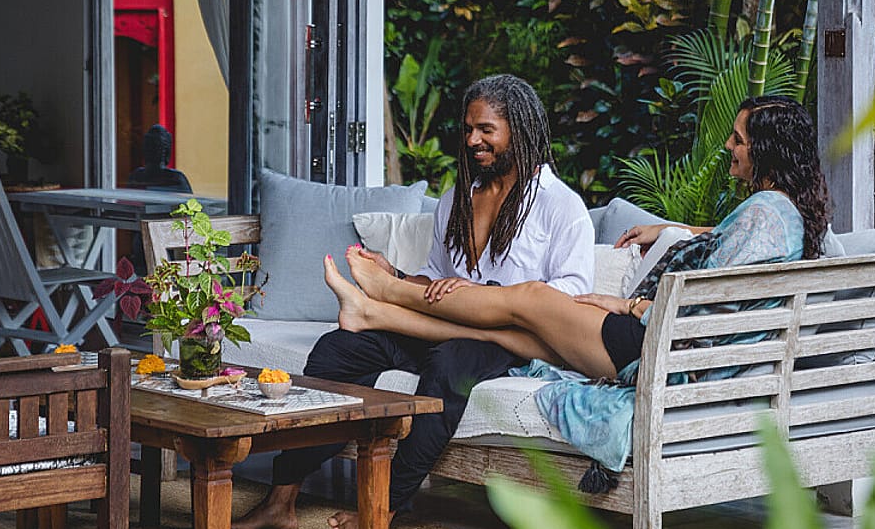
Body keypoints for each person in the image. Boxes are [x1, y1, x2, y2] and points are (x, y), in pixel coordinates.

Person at [232, 74, 597, 529]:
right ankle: (281, 500)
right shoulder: (458, 198)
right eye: (468, 129)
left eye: (486, 129)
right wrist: (397, 277)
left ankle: (383, 507)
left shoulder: (559, 207)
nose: (472, 140)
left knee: (448, 369)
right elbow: (434, 278)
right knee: (340, 348)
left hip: (502, 340)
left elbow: (571, 296)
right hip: (434, 325)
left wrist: (487, 297)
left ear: (519, 130)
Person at [325, 94, 829, 388]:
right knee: (515, 336)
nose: (729, 147)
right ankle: (377, 314)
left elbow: (708, 309)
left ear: (766, 149)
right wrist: (677, 231)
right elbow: (731, 250)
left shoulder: (764, 216)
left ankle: (391, 293)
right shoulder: (780, 214)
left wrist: (630, 306)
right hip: (670, 351)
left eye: (739, 140)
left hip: (660, 351)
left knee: (529, 298)